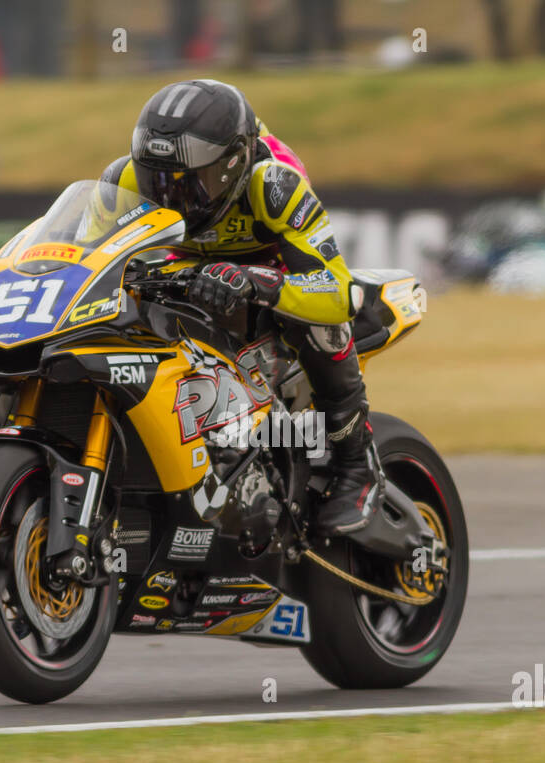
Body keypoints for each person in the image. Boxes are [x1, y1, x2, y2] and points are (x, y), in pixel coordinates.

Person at [99, 79, 380, 535]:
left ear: (232, 165)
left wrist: (261, 283)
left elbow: (337, 291)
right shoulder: (123, 180)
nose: (173, 199)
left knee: (317, 324)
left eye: (190, 185)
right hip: (188, 266)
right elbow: (78, 253)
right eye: (159, 182)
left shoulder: (273, 183)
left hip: (269, 267)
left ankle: (356, 464)